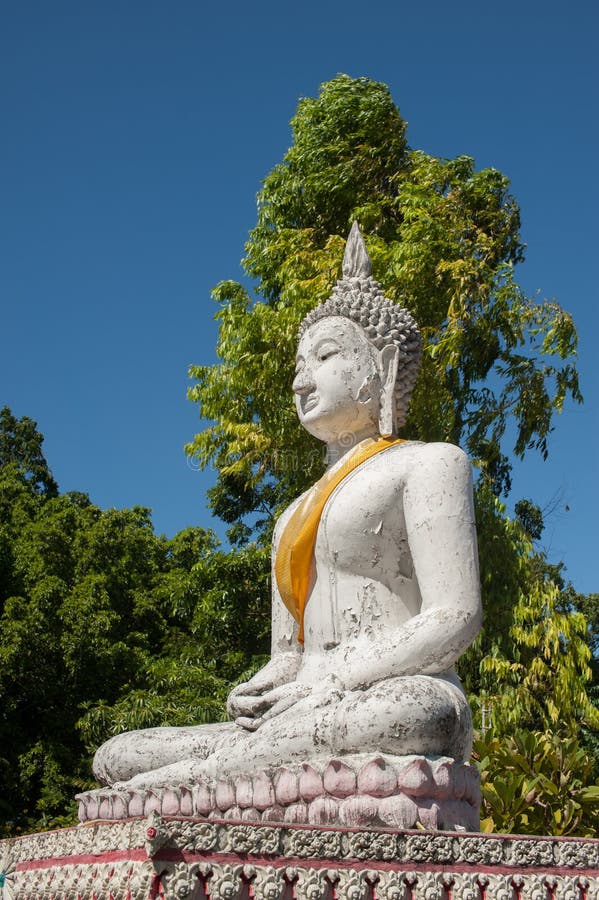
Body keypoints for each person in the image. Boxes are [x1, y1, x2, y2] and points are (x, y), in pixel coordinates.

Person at [93, 224, 482, 790]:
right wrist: (263, 686)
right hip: (298, 712)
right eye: (300, 364)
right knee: (117, 754)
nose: (302, 381)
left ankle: (197, 781)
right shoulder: (292, 515)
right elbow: (289, 657)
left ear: (383, 365)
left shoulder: (429, 464)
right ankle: (208, 773)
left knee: (424, 714)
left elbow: (454, 617)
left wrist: (337, 679)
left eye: (325, 357)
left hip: (386, 694)